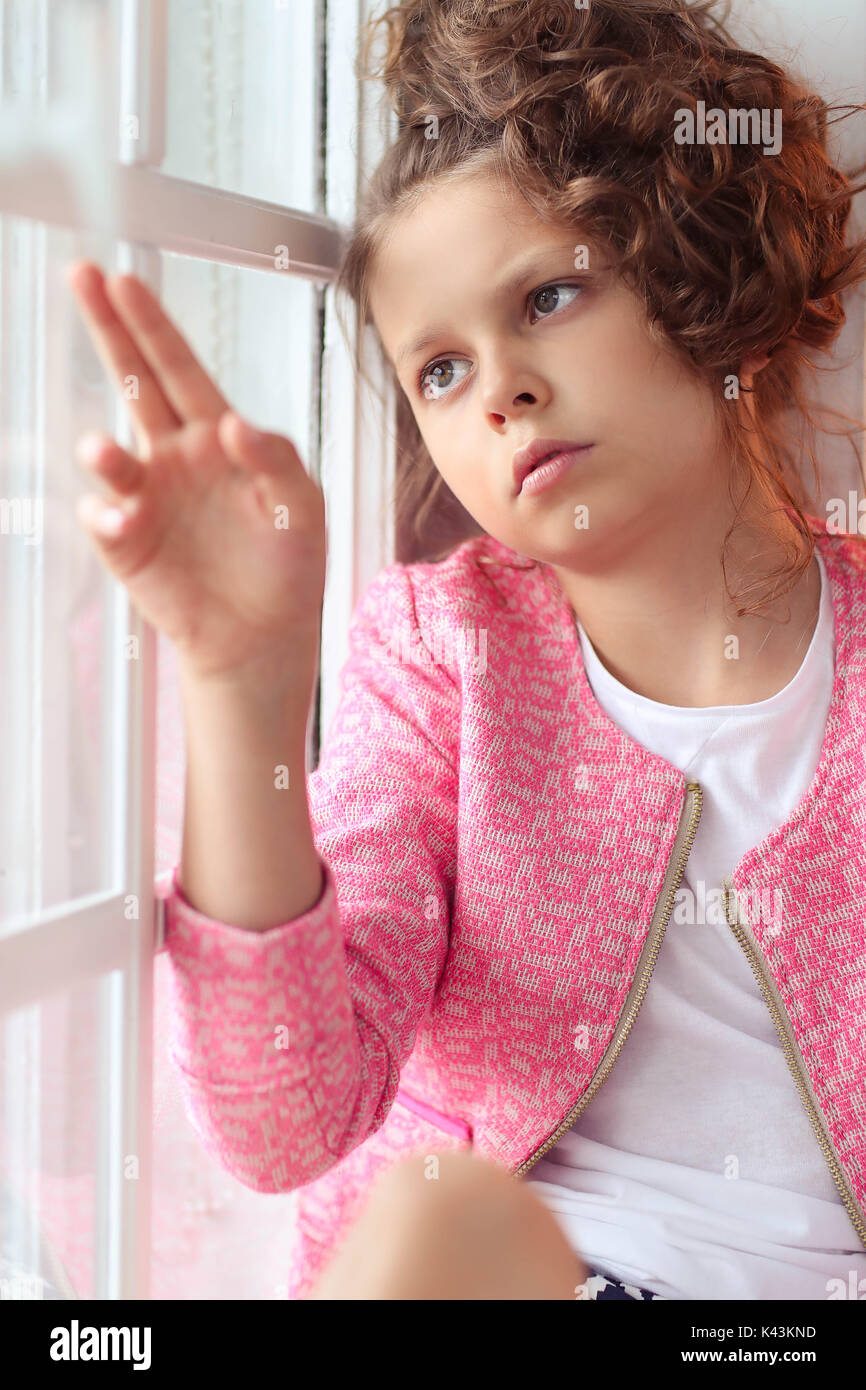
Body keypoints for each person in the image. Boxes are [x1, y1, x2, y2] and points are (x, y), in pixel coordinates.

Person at [66, 0, 866, 1301]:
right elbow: (283, 1121)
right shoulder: (441, 655)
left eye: (548, 296)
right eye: (436, 370)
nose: (496, 386)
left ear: (699, 274)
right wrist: (239, 682)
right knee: (440, 1212)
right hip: (523, 1275)